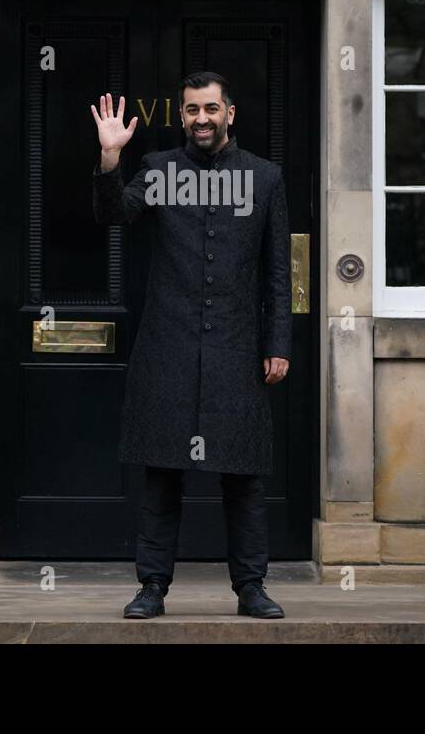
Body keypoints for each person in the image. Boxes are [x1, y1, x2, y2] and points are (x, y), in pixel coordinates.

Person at [90, 71, 291, 619]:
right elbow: (113, 216)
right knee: (161, 473)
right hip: (168, 347)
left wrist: (278, 343)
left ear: (229, 113)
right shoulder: (158, 170)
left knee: (243, 474)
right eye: (191, 111)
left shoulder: (265, 178)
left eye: (210, 109)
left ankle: (251, 586)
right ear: (181, 117)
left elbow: (278, 272)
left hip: (236, 348)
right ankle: (152, 587)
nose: (201, 118)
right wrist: (111, 158)